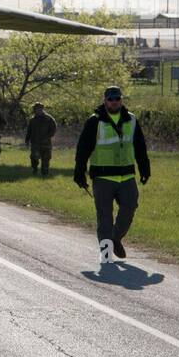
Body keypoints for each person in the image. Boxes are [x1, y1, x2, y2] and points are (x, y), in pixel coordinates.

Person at [73, 86, 151, 261]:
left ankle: (116, 238)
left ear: (121, 100)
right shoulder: (94, 121)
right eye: (110, 99)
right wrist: (79, 172)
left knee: (130, 207)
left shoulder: (131, 120)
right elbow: (83, 148)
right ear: (104, 100)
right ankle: (106, 254)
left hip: (127, 176)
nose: (114, 102)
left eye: (117, 98)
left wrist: (145, 168)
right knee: (104, 216)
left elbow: (140, 146)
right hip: (103, 177)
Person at [24, 102, 57, 176]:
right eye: (36, 109)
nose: (37, 110)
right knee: (34, 157)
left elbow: (53, 129)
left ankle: (45, 173)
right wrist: (27, 140)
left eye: (39, 109)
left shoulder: (49, 119)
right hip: (35, 142)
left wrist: (48, 136)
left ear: (42, 109)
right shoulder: (32, 120)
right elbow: (29, 131)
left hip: (46, 143)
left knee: (46, 159)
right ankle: (34, 169)